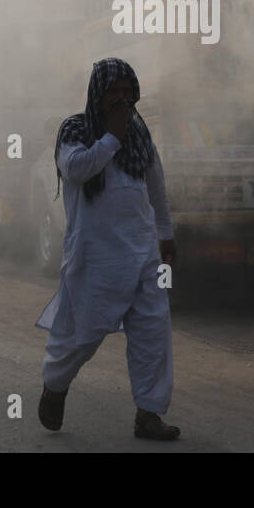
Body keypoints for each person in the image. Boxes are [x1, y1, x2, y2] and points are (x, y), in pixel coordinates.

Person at [36, 57, 179, 441]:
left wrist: (166, 234)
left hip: (144, 253)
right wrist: (111, 138)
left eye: (126, 91)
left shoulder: (140, 134)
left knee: (153, 333)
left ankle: (148, 414)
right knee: (82, 336)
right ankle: (55, 385)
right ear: (97, 94)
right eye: (112, 92)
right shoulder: (76, 131)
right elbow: (77, 170)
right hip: (96, 257)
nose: (120, 99)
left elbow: (156, 187)